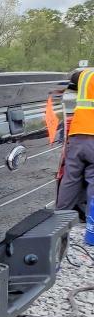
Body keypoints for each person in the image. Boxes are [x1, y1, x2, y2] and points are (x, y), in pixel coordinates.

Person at [56, 67, 94, 216]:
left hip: (77, 133)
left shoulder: (85, 74)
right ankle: (91, 221)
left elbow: (71, 77)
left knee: (70, 177)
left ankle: (59, 216)